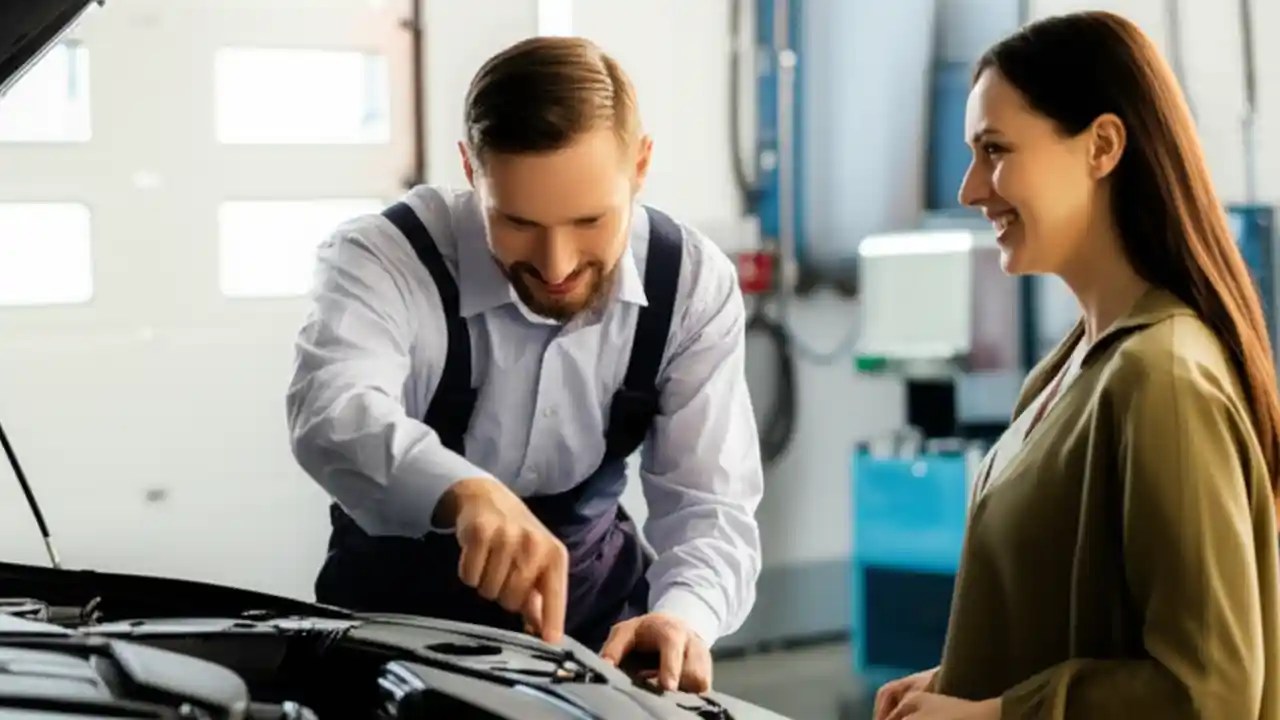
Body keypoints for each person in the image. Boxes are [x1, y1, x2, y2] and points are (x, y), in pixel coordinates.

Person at [285, 36, 763, 694]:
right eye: (515, 222)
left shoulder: (690, 284)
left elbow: (710, 503)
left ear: (642, 164)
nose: (558, 264)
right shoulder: (385, 257)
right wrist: (465, 492)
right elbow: (334, 414)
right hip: (390, 646)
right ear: (470, 170)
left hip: (597, 637)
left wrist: (682, 618)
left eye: (591, 220)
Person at [876, 11, 1280, 720]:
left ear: (1102, 146)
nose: (972, 189)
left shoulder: (1164, 378)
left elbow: (1207, 693)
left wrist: (996, 715)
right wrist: (963, 679)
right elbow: (1077, 616)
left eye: (995, 150)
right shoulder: (1065, 372)